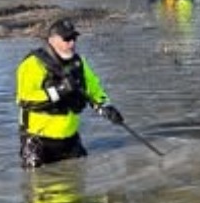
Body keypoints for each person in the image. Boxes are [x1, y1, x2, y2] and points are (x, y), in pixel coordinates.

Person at [16, 18, 125, 168]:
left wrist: (105, 107)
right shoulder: (33, 64)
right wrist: (60, 90)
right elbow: (25, 100)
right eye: (67, 39)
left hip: (70, 139)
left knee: (78, 181)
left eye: (74, 38)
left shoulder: (78, 62)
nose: (72, 43)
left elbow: (94, 88)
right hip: (38, 142)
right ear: (52, 40)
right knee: (37, 184)